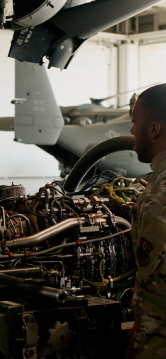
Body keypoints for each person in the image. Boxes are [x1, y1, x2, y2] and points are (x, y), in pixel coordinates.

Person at [127, 84, 166, 358]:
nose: (131, 131)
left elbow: (156, 294)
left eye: (135, 122)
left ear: (153, 129)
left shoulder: (157, 197)